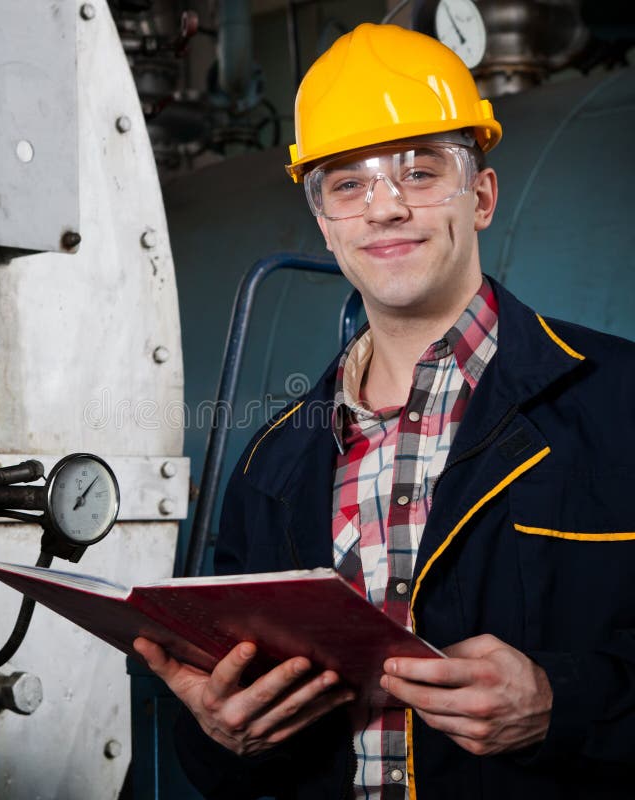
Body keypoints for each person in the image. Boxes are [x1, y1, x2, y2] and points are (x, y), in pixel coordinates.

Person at [134, 22, 635, 800]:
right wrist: (222, 735)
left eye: (420, 171)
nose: (385, 207)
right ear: (327, 227)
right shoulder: (275, 461)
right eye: (349, 183)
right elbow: (227, 749)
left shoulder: (617, 401)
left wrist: (563, 704)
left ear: (483, 196)